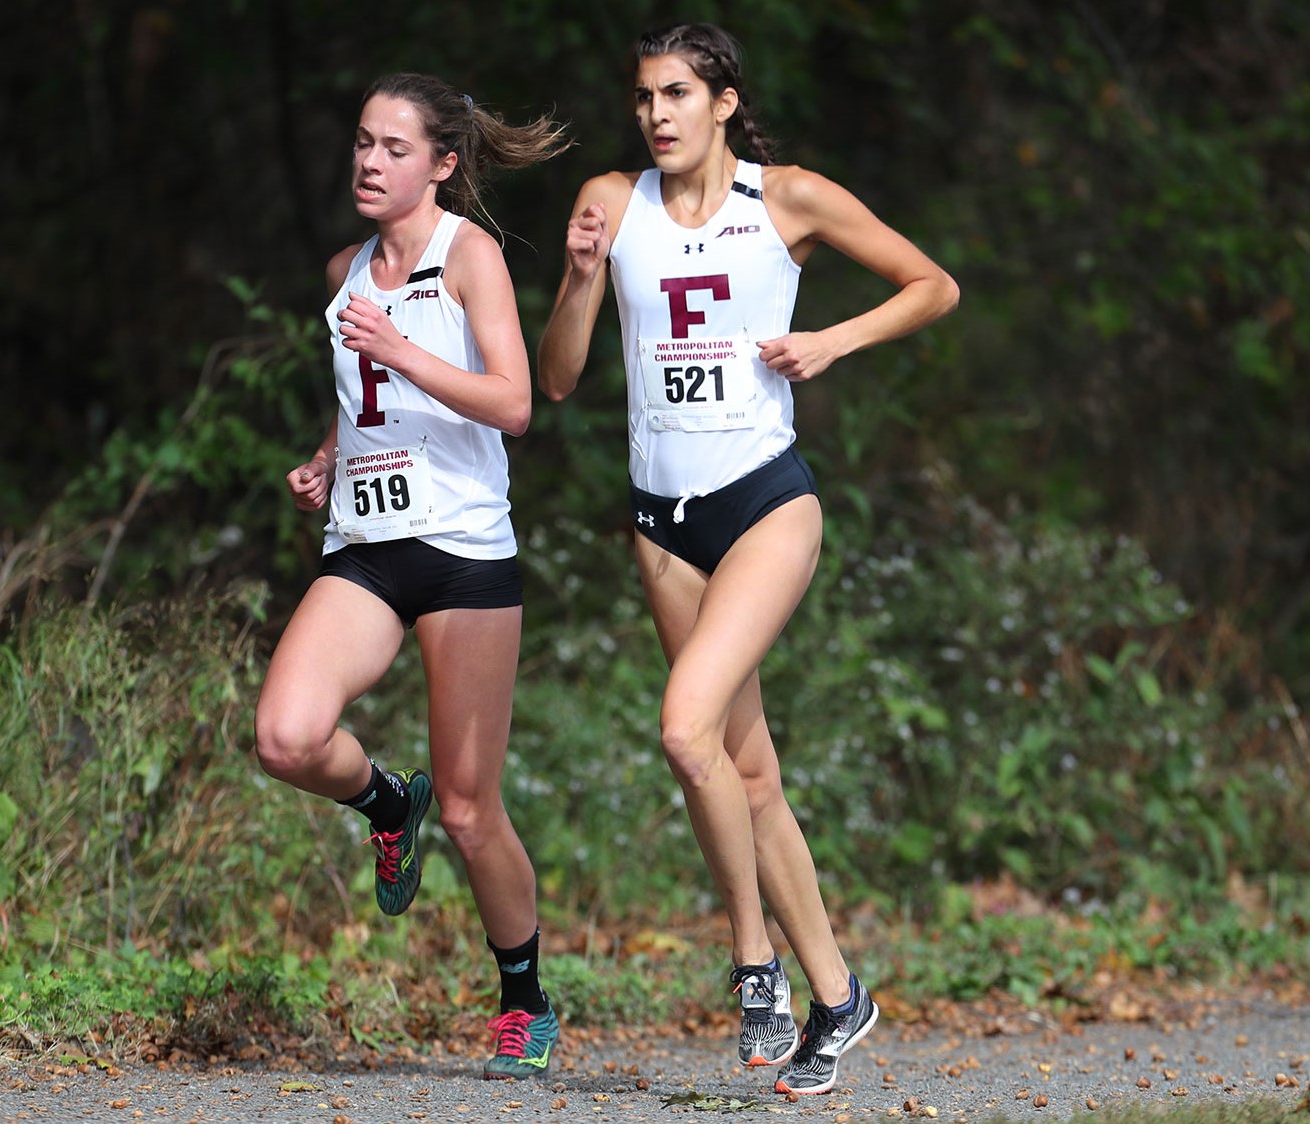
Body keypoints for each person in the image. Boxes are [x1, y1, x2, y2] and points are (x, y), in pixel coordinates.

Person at [537, 22, 959, 1097]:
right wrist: (580, 277)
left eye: (675, 93)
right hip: (659, 520)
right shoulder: (608, 200)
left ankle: (752, 960)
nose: (655, 114)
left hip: (766, 502)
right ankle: (837, 995)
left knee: (683, 730)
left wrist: (830, 342)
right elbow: (553, 380)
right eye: (641, 97)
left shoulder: (787, 199)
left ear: (723, 101)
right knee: (743, 766)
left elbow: (931, 285)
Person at [253, 73, 571, 1081]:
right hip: (366, 545)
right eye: (360, 142)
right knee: (285, 735)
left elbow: (513, 402)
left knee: (475, 812)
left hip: (466, 552)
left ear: (440, 164)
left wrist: (399, 346)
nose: (366, 161)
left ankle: (523, 995)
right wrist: (326, 457)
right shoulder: (345, 268)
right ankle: (388, 804)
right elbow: (366, 400)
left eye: (392, 148)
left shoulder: (468, 254)